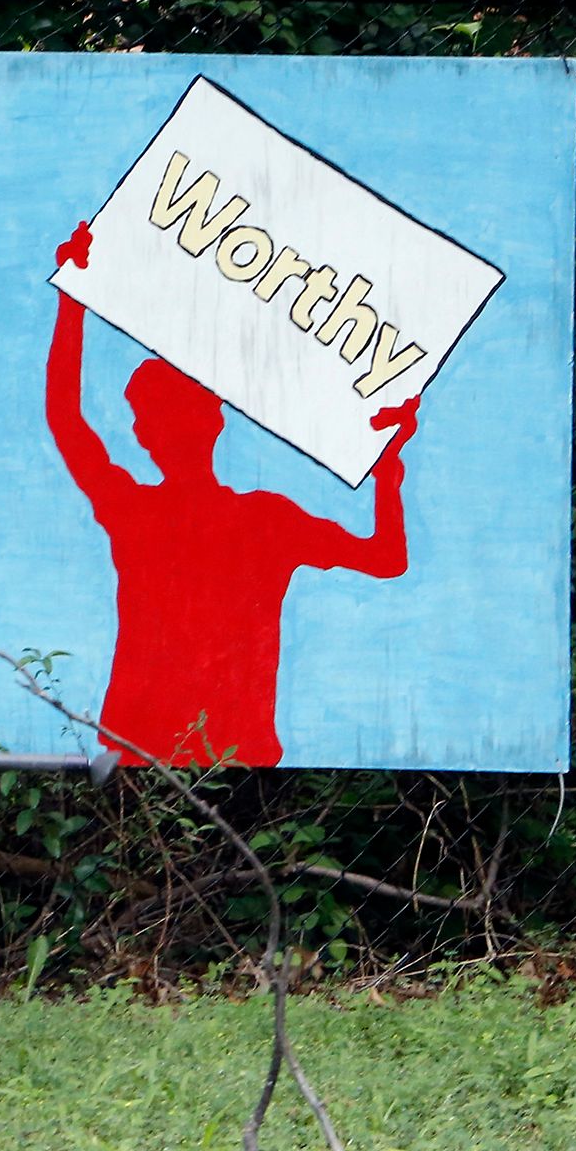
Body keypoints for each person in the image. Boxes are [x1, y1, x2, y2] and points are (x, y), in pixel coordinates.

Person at [45, 220, 418, 767]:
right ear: (216, 423)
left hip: (152, 746)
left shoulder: (139, 510)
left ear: (145, 436)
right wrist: (387, 476)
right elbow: (387, 558)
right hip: (226, 751)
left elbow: (65, 418)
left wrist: (72, 301)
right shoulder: (264, 519)